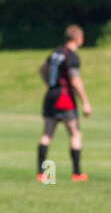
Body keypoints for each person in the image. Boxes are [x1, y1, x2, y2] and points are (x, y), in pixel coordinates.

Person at [37, 25, 92, 182]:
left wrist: (50, 84)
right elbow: (74, 80)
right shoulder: (72, 56)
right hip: (65, 97)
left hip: (51, 95)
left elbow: (42, 69)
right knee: (75, 134)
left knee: (47, 134)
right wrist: (85, 102)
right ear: (77, 38)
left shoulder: (56, 52)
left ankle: (41, 173)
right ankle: (77, 173)